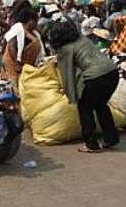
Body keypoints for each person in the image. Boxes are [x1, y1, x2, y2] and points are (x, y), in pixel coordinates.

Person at [48, 19, 119, 153]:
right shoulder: (82, 38)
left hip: (95, 76)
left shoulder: (65, 49)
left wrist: (70, 94)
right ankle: (111, 138)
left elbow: (67, 73)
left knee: (85, 107)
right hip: (112, 72)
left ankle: (91, 144)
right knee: (101, 104)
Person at [2, 6, 44, 84]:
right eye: (36, 21)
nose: (36, 24)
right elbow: (11, 46)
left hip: (24, 65)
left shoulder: (34, 33)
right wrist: (17, 64)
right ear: (30, 21)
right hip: (13, 63)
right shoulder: (18, 29)